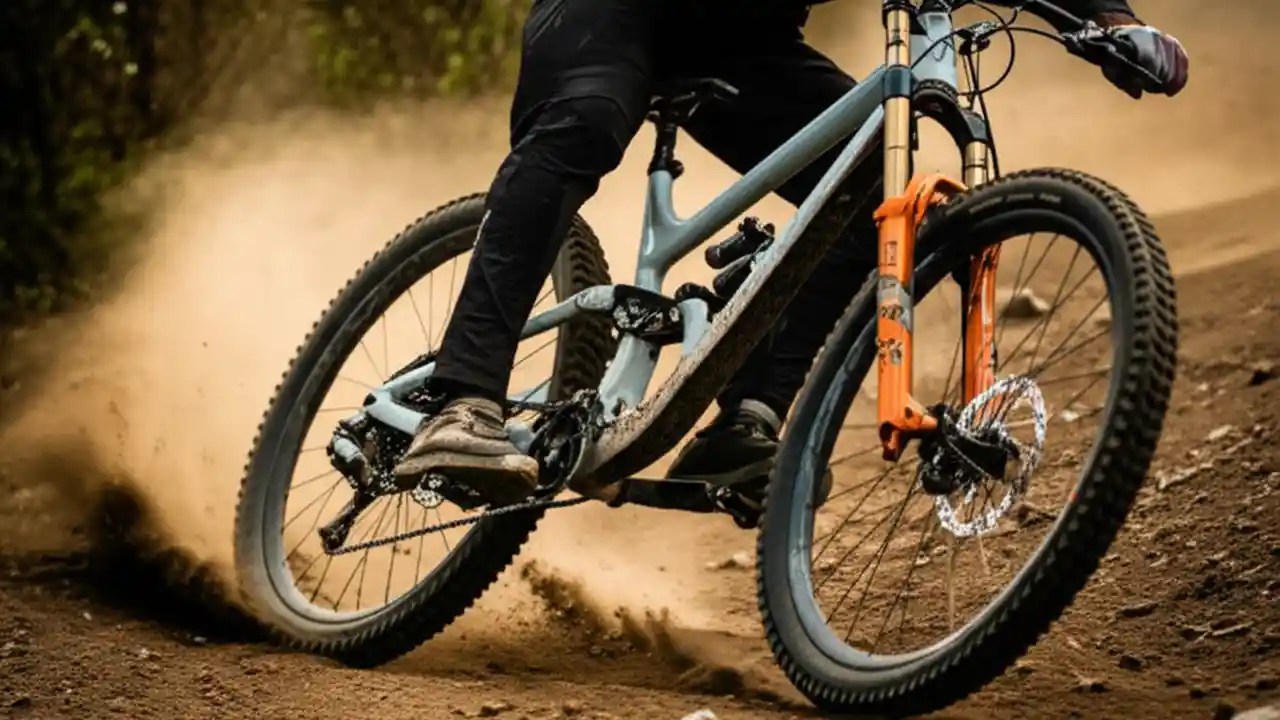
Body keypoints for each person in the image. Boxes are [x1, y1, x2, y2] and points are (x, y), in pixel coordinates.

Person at [393, 0, 1189, 505]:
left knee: (872, 195)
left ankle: (749, 417)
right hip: (611, 14)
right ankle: (464, 400)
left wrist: (1110, 22)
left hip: (743, 46)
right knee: (587, 123)